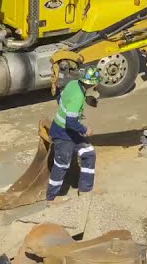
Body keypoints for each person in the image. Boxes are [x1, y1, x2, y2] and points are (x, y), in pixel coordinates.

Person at [47, 67, 99, 201]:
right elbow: (71, 122)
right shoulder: (78, 97)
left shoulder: (72, 84)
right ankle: (52, 198)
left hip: (67, 130)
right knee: (62, 164)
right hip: (63, 133)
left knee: (88, 154)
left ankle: (85, 190)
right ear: (92, 83)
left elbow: (59, 99)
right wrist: (84, 130)